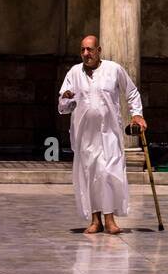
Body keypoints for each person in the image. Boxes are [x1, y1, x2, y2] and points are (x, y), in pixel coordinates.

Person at [58, 35, 147, 235]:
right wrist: (66, 98)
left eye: (89, 49)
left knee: (108, 173)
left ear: (99, 50)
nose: (86, 54)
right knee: (91, 175)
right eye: (82, 50)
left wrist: (137, 114)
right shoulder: (74, 73)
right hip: (85, 136)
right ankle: (95, 220)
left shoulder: (113, 70)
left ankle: (110, 220)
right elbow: (63, 107)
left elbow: (131, 93)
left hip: (110, 134)